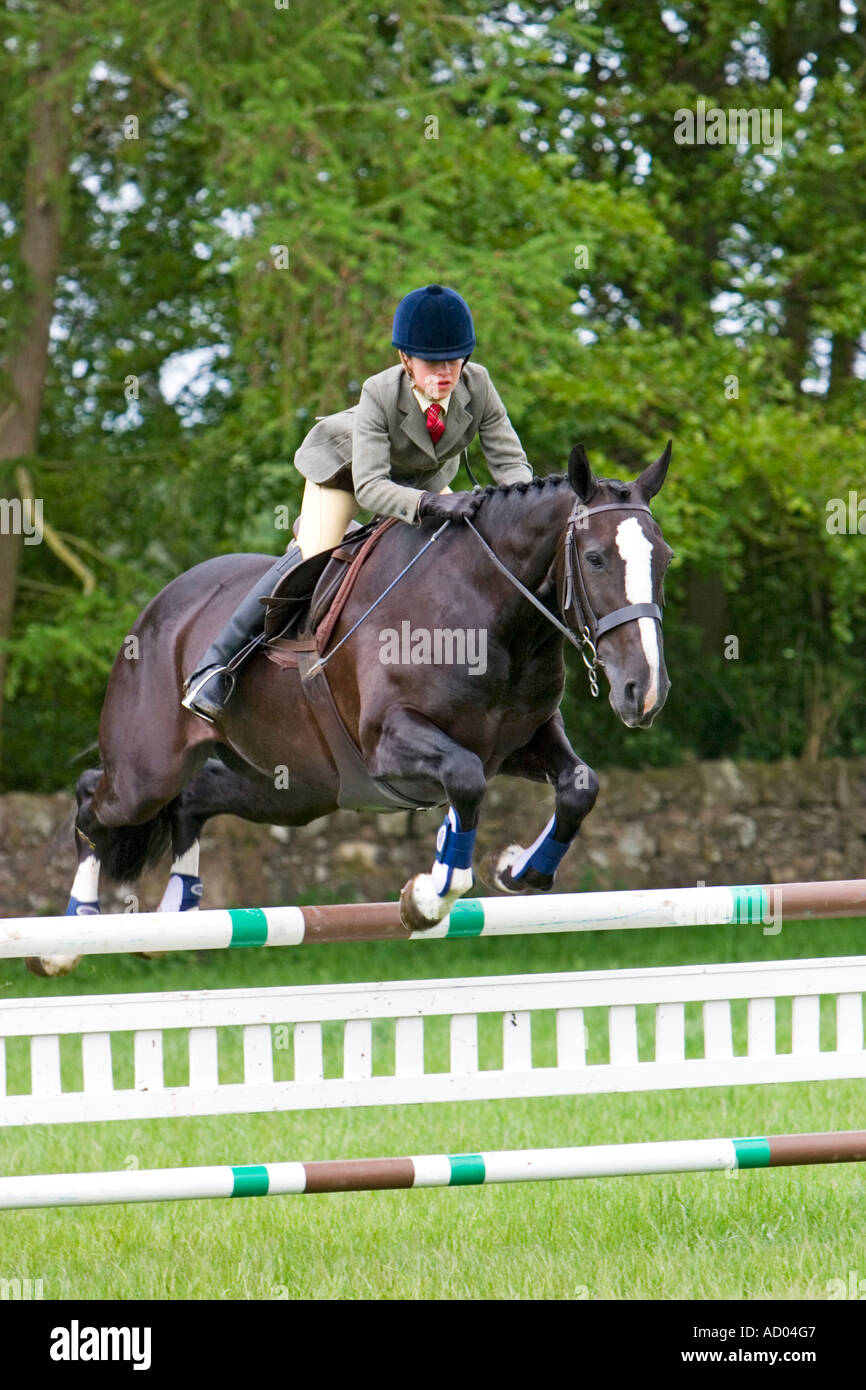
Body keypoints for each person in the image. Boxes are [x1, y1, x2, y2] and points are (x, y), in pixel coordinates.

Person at [182, 283, 532, 721]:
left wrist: (520, 511)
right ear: (405, 359)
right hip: (346, 474)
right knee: (313, 556)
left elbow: (511, 466)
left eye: (453, 359)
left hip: (420, 479)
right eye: (431, 362)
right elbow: (370, 488)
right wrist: (429, 505)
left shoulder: (478, 385)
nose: (444, 373)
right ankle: (216, 665)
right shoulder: (379, 392)